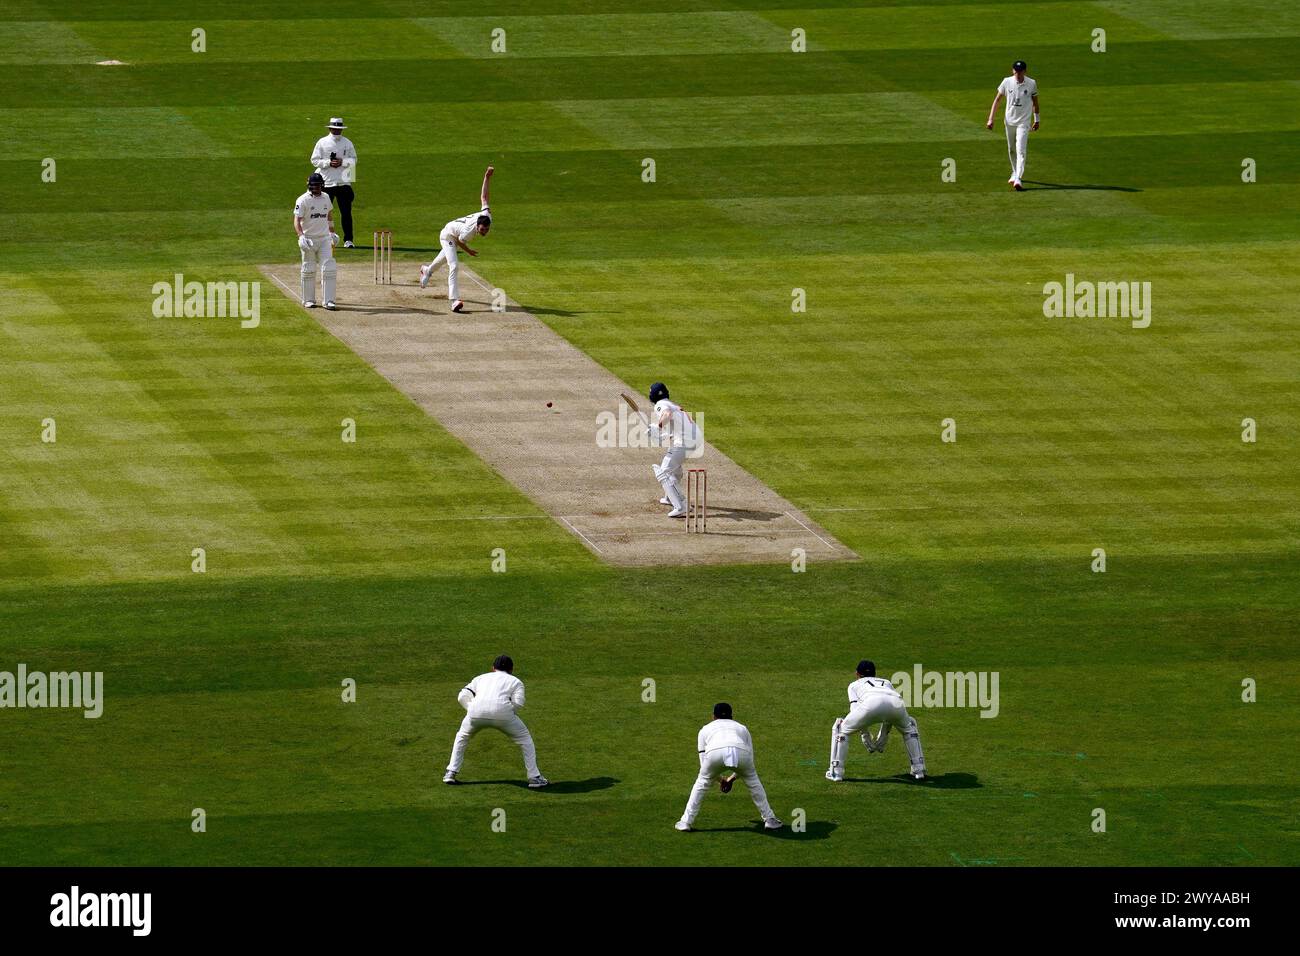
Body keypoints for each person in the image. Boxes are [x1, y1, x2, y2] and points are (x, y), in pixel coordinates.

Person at [443, 655, 548, 788]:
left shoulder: (480, 678)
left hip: (475, 713)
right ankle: (534, 777)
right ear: (511, 669)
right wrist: (505, 712)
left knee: (462, 737)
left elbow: (462, 696)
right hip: (504, 714)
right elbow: (519, 703)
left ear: (493, 668)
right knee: (525, 739)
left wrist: (473, 710)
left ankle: (450, 773)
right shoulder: (515, 681)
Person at [676, 703, 782, 832]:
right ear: (732, 716)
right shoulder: (742, 728)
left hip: (715, 752)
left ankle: (685, 822)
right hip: (741, 751)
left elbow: (703, 763)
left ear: (713, 716)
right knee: (753, 781)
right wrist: (731, 779)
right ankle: (770, 819)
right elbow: (749, 759)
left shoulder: (704, 729)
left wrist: (721, 780)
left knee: (702, 782)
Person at [827, 660, 927, 782]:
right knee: (909, 727)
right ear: (875, 674)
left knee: (840, 728)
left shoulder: (853, 685)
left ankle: (836, 773)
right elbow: (889, 707)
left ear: (857, 674)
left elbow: (855, 710)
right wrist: (883, 736)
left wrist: (865, 735)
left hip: (872, 703)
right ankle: (919, 770)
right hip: (897, 703)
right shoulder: (886, 682)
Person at [419, 166, 493, 313]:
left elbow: (484, 197)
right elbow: (459, 241)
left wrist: (487, 177)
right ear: (477, 226)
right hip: (448, 235)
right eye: (482, 229)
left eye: (486, 229)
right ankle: (454, 301)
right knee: (454, 265)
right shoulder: (469, 232)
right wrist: (469, 251)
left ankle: (427, 270)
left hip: (454, 234)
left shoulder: (487, 215)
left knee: (442, 259)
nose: (484, 232)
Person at [646, 382, 699, 519]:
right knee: (674, 468)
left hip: (685, 441)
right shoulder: (673, 404)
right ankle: (670, 497)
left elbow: (667, 414)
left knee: (664, 471)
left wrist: (657, 427)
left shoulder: (661, 405)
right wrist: (659, 435)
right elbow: (675, 429)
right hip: (694, 438)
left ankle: (681, 506)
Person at [986, 60, 1040, 190]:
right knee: (1011, 149)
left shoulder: (1031, 83)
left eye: (1020, 72)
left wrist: (1037, 119)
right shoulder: (1006, 81)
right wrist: (990, 119)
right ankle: (1014, 171)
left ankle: (1018, 178)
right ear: (1013, 71)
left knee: (1021, 150)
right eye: (1016, 71)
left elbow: (1035, 103)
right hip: (1009, 121)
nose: (1018, 74)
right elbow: (997, 100)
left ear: (1025, 72)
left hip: (1023, 122)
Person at [293, 172, 338, 310]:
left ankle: (329, 301)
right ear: (309, 186)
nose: (316, 188)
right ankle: (308, 300)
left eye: (318, 186)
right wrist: (301, 235)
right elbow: (297, 220)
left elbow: (329, 216)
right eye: (314, 186)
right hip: (309, 240)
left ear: (322, 186)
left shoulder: (326, 197)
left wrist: (332, 232)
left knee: (329, 268)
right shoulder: (302, 200)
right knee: (309, 269)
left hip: (324, 239)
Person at [310, 118, 358, 246]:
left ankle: (348, 240)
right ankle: (325, 238)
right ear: (330, 128)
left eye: (339, 129)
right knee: (324, 212)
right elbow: (314, 160)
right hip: (327, 182)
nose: (337, 131)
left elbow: (354, 160)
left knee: (346, 213)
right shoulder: (322, 142)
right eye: (335, 129)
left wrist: (342, 162)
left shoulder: (347, 143)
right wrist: (328, 163)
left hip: (344, 181)